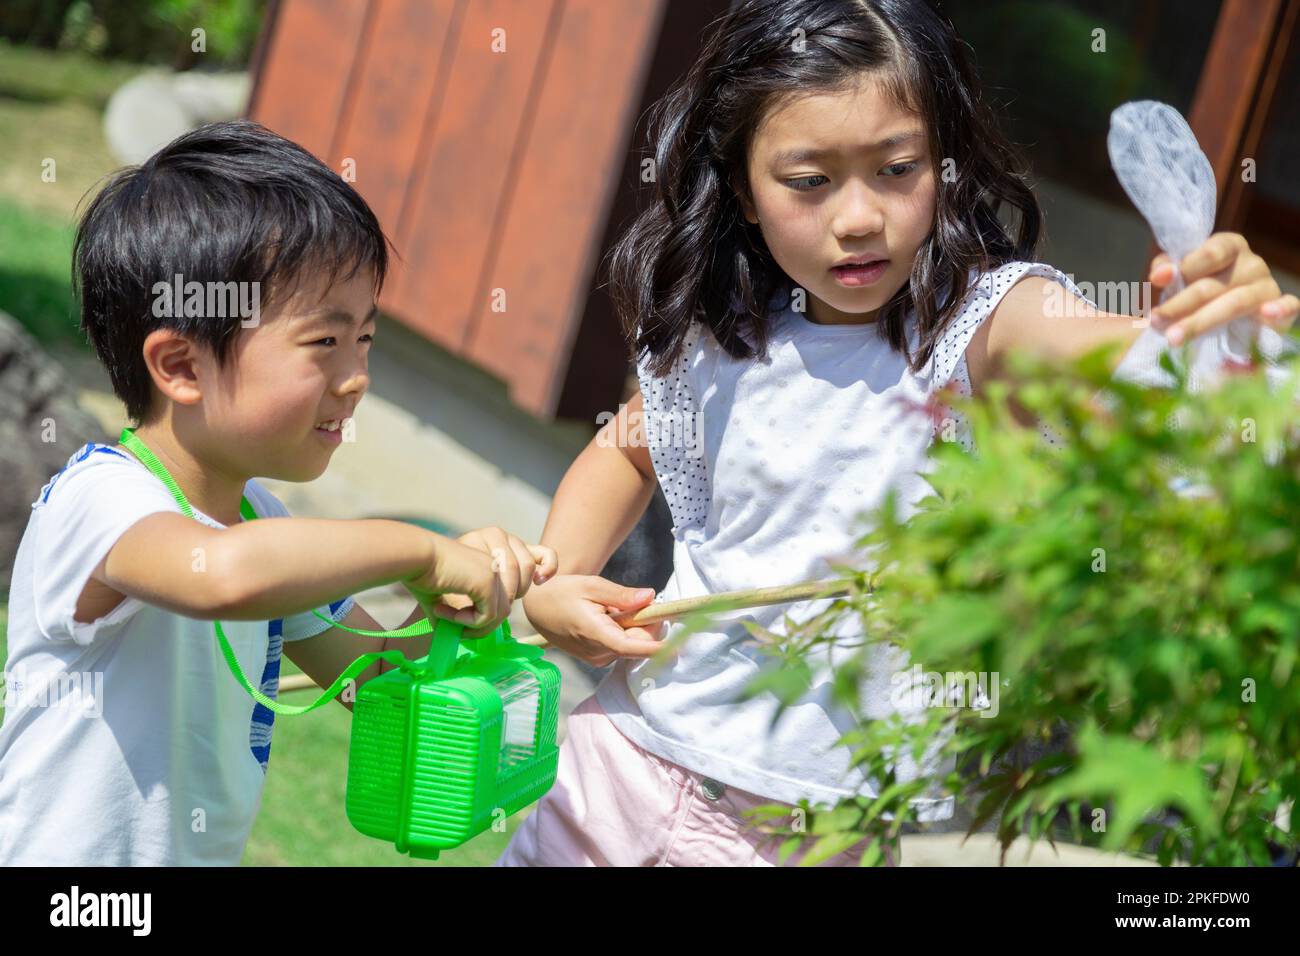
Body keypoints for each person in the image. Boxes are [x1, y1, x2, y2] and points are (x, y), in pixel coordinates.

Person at [501, 0, 1298, 866]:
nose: (859, 217)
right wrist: (559, 578)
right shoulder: (728, 330)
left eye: (896, 169)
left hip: (808, 835)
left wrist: (1217, 329)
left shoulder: (981, 327)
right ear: (741, 186)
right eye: (809, 181)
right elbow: (626, 448)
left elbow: (1115, 356)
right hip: (613, 767)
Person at [0, 120, 557, 866]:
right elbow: (223, 576)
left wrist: (494, 611)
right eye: (324, 343)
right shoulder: (102, 500)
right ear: (183, 366)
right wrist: (420, 550)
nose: (356, 378)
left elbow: (383, 677)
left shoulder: (262, 519)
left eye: (365, 339)